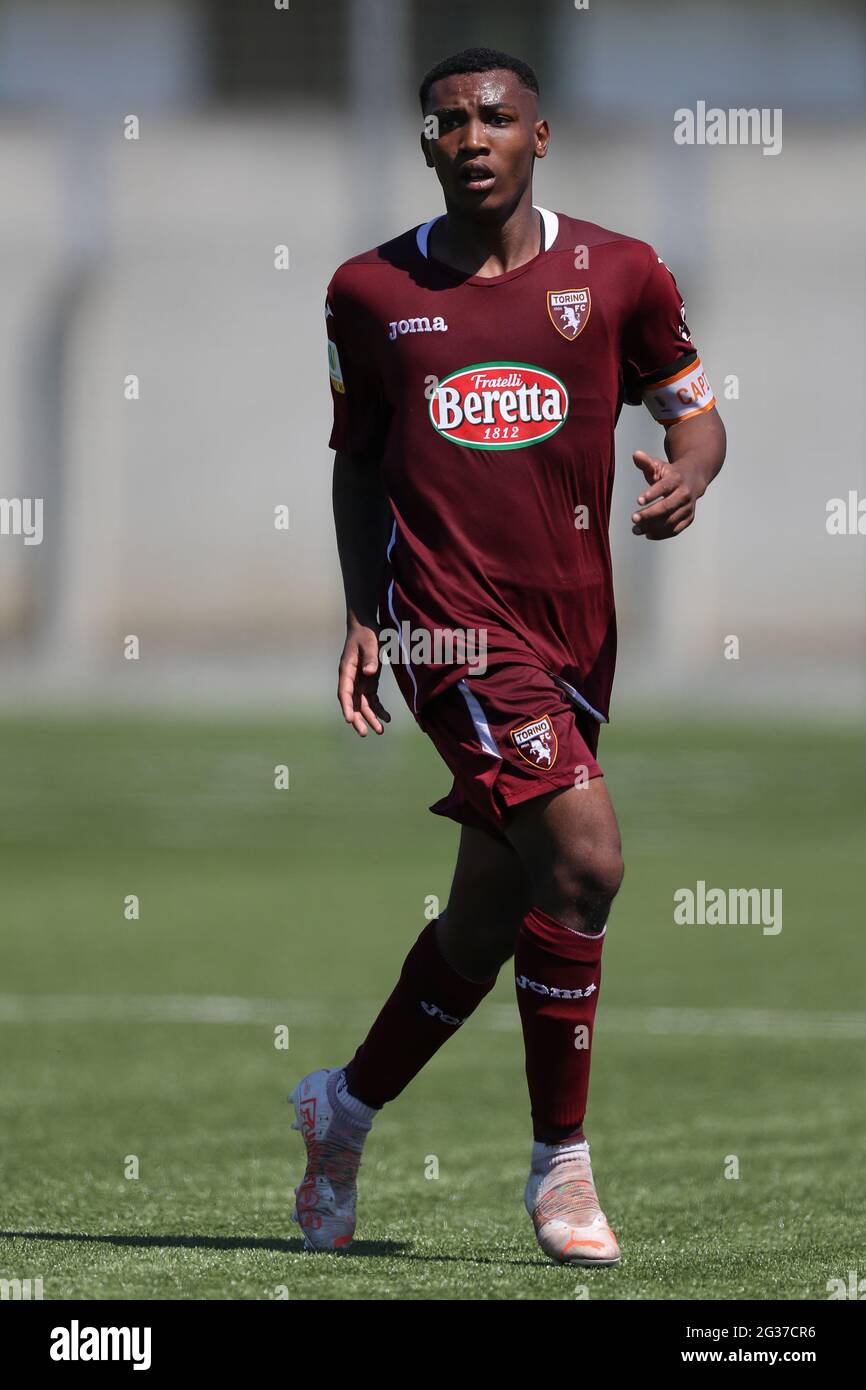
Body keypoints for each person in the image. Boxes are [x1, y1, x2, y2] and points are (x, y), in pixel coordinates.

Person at [290, 46, 726, 1266]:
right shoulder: (366, 293)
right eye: (446, 123)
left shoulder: (621, 274)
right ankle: (562, 1172)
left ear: (540, 135)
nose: (471, 136)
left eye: (495, 117)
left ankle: (345, 1105)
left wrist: (689, 470)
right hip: (448, 631)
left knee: (489, 916)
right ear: (421, 146)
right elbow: (360, 460)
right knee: (584, 859)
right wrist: (366, 611)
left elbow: (692, 408)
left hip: (573, 637)